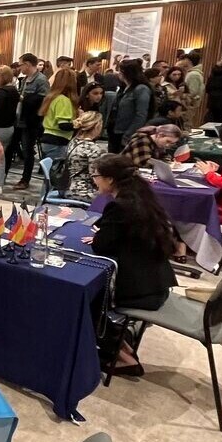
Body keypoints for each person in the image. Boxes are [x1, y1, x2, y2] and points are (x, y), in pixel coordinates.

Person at [84, 153, 177, 374]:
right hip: (157, 280)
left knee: (88, 298)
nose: (93, 180)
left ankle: (125, 359)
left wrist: (101, 236)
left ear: (110, 179)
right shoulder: (141, 197)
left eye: (95, 176)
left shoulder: (120, 205)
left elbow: (101, 246)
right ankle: (119, 343)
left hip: (140, 289)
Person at [13, 53, 49, 190]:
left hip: (31, 122)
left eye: (20, 64)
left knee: (28, 151)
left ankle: (25, 179)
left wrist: (24, 99)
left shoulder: (41, 80)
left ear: (27, 64)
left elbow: (43, 100)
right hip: (20, 119)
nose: (19, 67)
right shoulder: (26, 78)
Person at [60, 110, 106, 202]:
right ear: (97, 126)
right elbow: (96, 178)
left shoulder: (73, 141)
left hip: (66, 186)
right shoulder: (93, 149)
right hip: (83, 191)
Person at [109, 59, 152, 152]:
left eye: (120, 71)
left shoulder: (141, 89)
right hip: (115, 131)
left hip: (127, 133)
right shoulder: (124, 88)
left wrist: (129, 134)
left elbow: (141, 114)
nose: (118, 73)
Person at [39, 67, 78, 162]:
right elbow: (63, 125)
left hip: (48, 138)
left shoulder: (52, 97)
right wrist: (80, 123)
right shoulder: (63, 100)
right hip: (58, 141)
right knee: (55, 174)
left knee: (49, 172)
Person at [182, 50, 205, 125]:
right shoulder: (193, 73)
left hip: (189, 104)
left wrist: (184, 96)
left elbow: (192, 91)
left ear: (189, 61)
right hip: (190, 103)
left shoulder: (193, 74)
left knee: (186, 123)